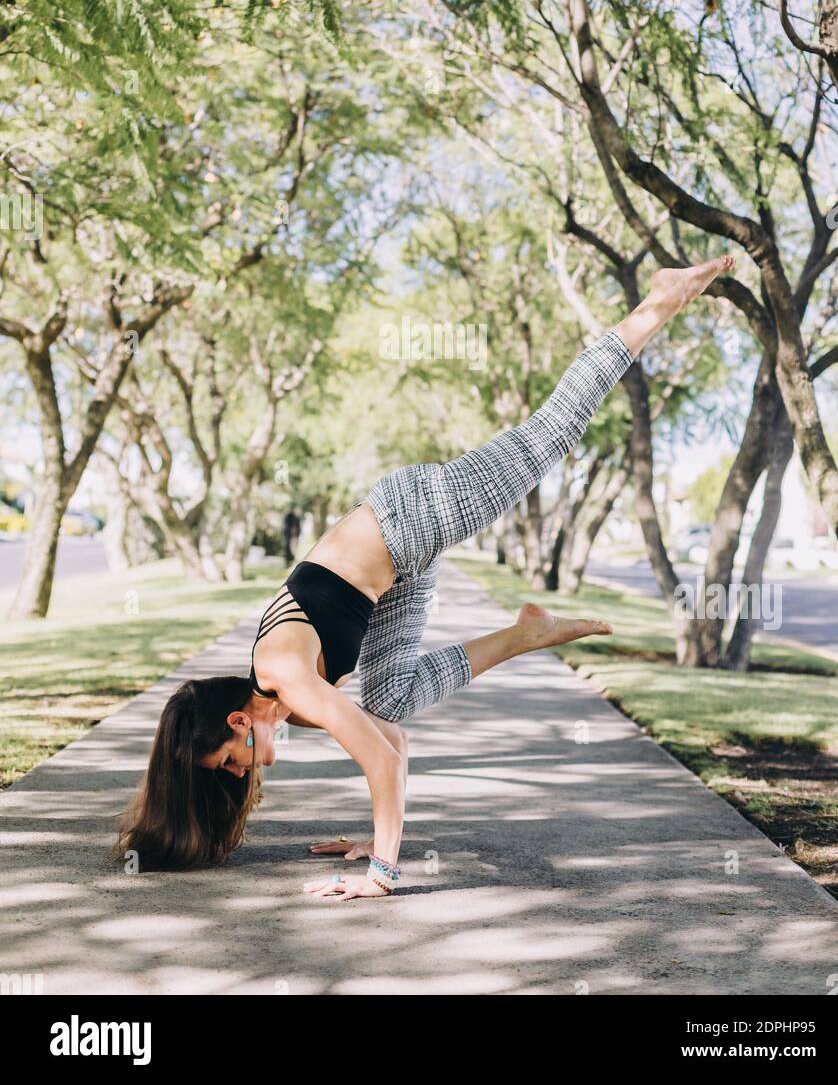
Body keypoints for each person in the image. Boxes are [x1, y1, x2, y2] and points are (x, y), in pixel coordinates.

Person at [114, 257, 735, 900]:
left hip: (408, 514)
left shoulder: (286, 674)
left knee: (551, 435)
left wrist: (381, 873)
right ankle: (525, 633)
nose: (242, 775)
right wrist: (378, 840)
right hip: (395, 577)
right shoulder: (292, 707)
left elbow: (377, 760)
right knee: (390, 702)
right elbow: (394, 742)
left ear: (240, 724)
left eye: (228, 763)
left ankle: (659, 302)